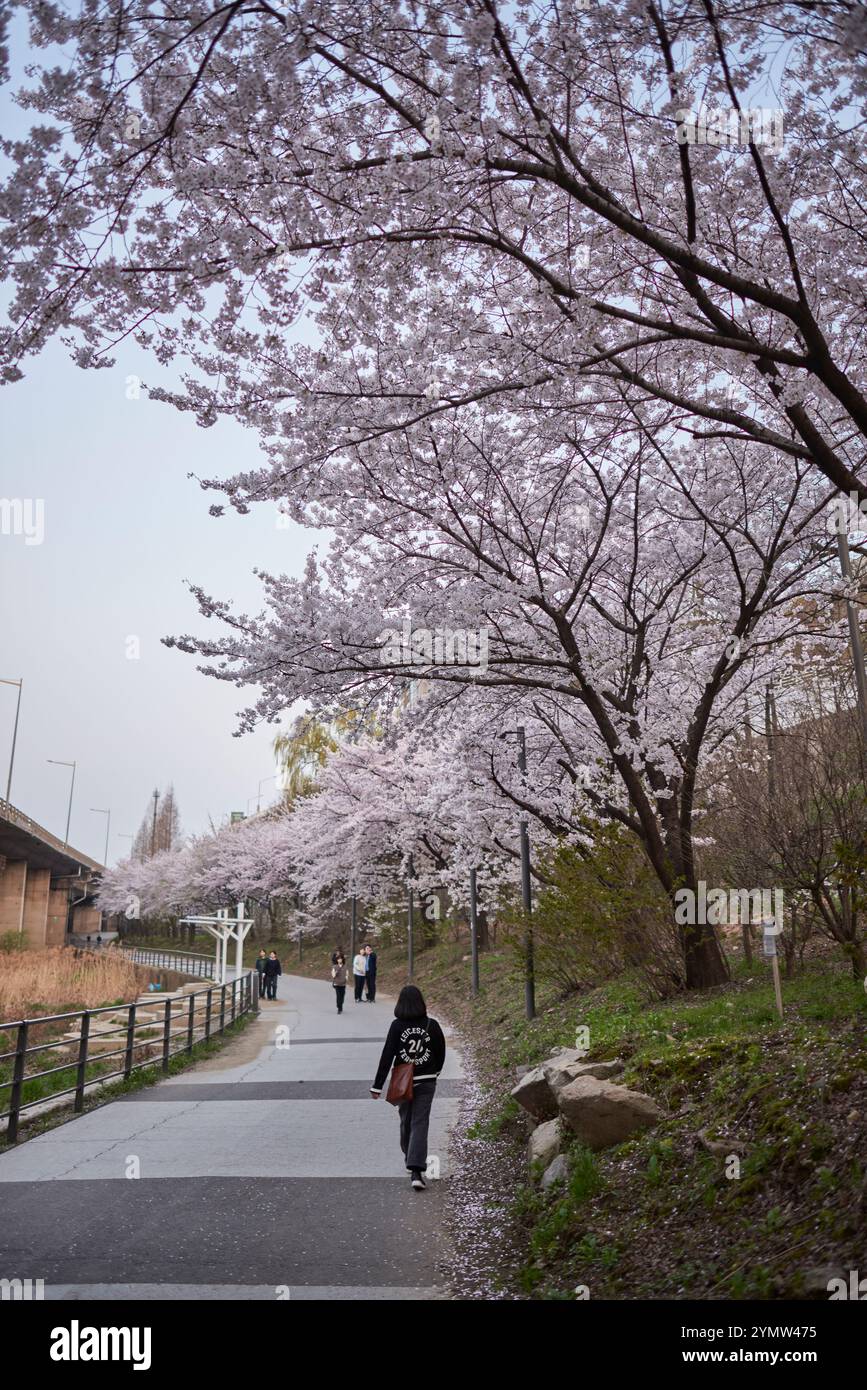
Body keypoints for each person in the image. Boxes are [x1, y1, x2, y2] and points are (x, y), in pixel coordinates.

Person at [370, 985, 446, 1191]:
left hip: (403, 1081)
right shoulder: (432, 1025)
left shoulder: (397, 1026)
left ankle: (413, 1165)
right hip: (427, 1081)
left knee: (407, 1120)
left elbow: (387, 1056)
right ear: (421, 1003)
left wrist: (377, 1085)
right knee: (419, 1122)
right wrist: (435, 1072)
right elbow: (440, 1053)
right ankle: (415, 1167)